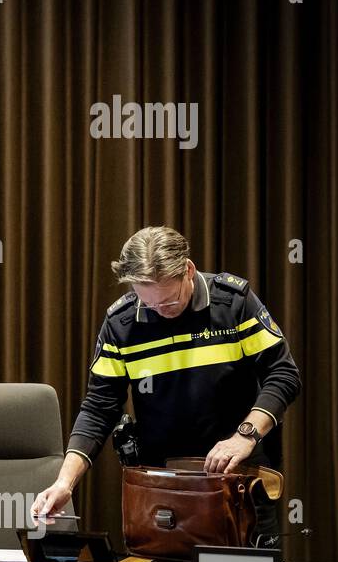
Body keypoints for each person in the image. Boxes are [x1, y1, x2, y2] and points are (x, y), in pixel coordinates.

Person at [32, 226, 301, 545]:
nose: (162, 312)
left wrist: (245, 435)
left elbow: (283, 373)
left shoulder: (234, 304)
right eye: (150, 303)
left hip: (239, 479)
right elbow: (98, 408)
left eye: (170, 301)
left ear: (188, 270)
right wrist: (65, 483)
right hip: (164, 486)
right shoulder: (121, 324)